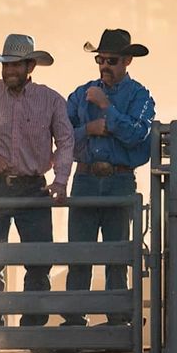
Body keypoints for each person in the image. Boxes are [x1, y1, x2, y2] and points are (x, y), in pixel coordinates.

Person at [0, 34, 74, 328]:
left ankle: (33, 327)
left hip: (33, 186)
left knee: (38, 261)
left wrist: (61, 179)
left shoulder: (50, 99)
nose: (9, 71)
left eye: (15, 65)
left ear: (30, 66)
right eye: (6, 65)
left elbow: (66, 140)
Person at [63, 29, 155, 327]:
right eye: (101, 60)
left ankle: (118, 320)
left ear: (127, 60)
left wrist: (106, 108)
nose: (105, 65)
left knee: (117, 254)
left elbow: (138, 135)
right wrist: (87, 131)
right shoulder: (80, 94)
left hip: (119, 180)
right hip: (86, 178)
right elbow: (62, 139)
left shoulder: (140, 95)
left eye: (111, 60)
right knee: (80, 253)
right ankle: (75, 320)